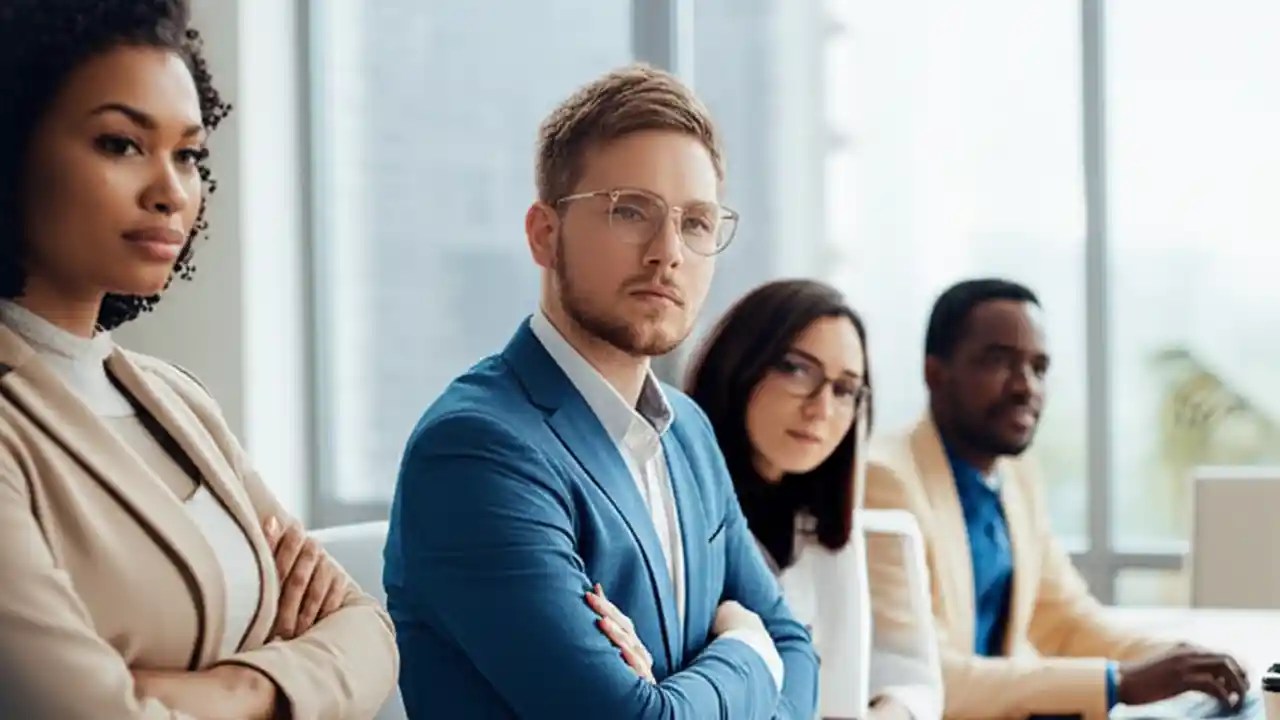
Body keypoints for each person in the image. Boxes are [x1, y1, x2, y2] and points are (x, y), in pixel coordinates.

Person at [0, 1, 398, 717]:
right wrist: (299, 667)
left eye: (188, 154)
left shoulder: (173, 398)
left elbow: (370, 630)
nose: (171, 192)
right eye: (121, 144)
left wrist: (242, 688)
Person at [384, 65, 818, 719]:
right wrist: (746, 650)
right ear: (543, 233)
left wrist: (683, 688)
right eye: (630, 211)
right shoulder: (476, 450)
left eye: (696, 223)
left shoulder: (689, 435)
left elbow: (800, 655)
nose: (667, 252)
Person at [863, 278, 1249, 720]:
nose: (1025, 386)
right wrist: (1119, 683)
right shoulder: (886, 479)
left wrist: (1185, 661)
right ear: (935, 372)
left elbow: (1065, 620)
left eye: (1038, 367)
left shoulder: (1015, 472)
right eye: (999, 361)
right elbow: (923, 678)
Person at [686, 279, 943, 719]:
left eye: (844, 389)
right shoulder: (679, 511)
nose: (821, 408)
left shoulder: (830, 531)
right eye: (797, 369)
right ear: (739, 364)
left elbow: (912, 679)